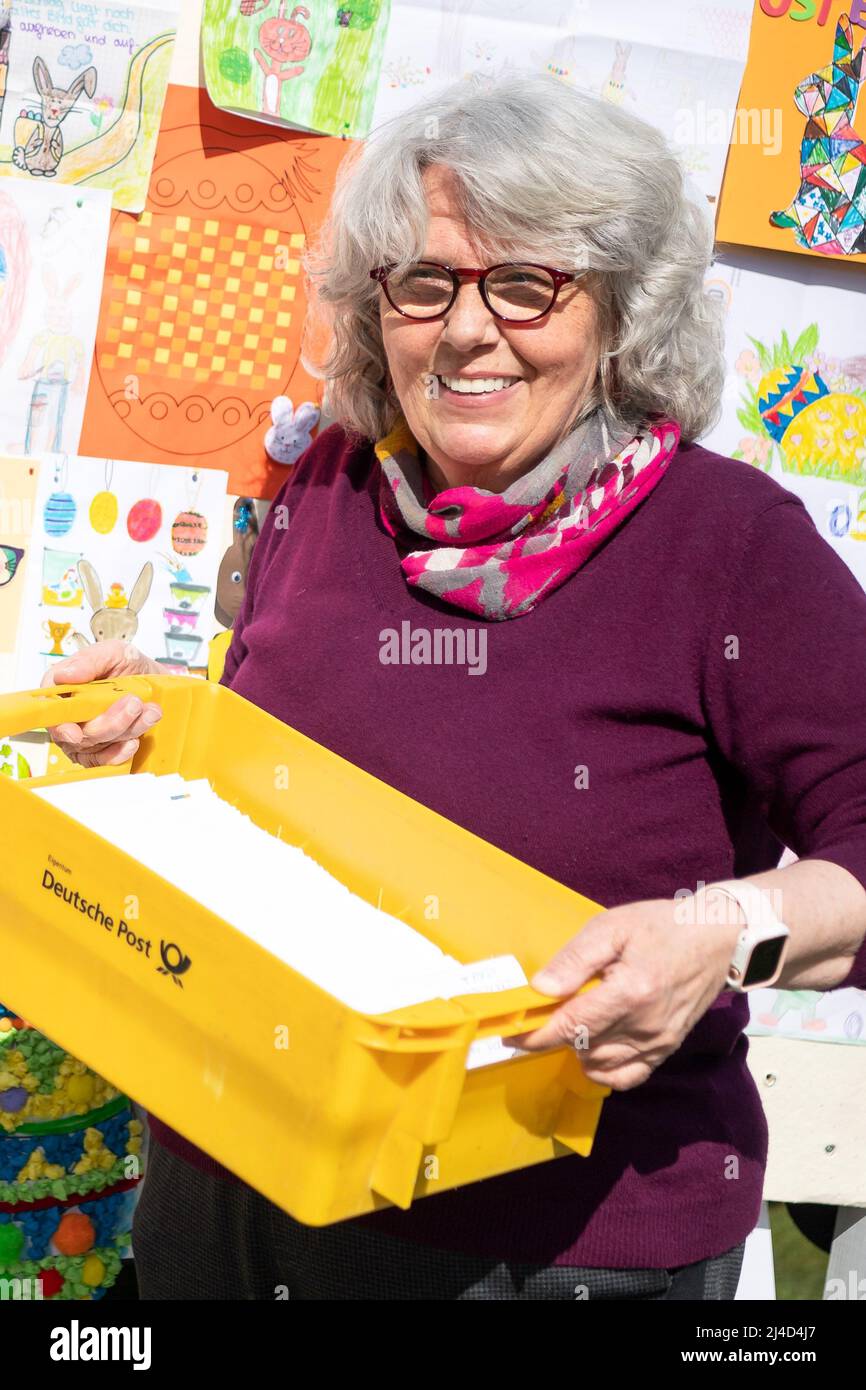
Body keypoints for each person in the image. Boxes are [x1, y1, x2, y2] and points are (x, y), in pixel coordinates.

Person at [43, 74, 866, 1301]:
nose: (467, 330)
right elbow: (306, 764)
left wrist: (716, 933)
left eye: (527, 282)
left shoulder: (731, 545)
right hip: (228, 1179)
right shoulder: (332, 484)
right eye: (424, 281)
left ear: (620, 313)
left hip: (545, 1248)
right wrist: (165, 728)